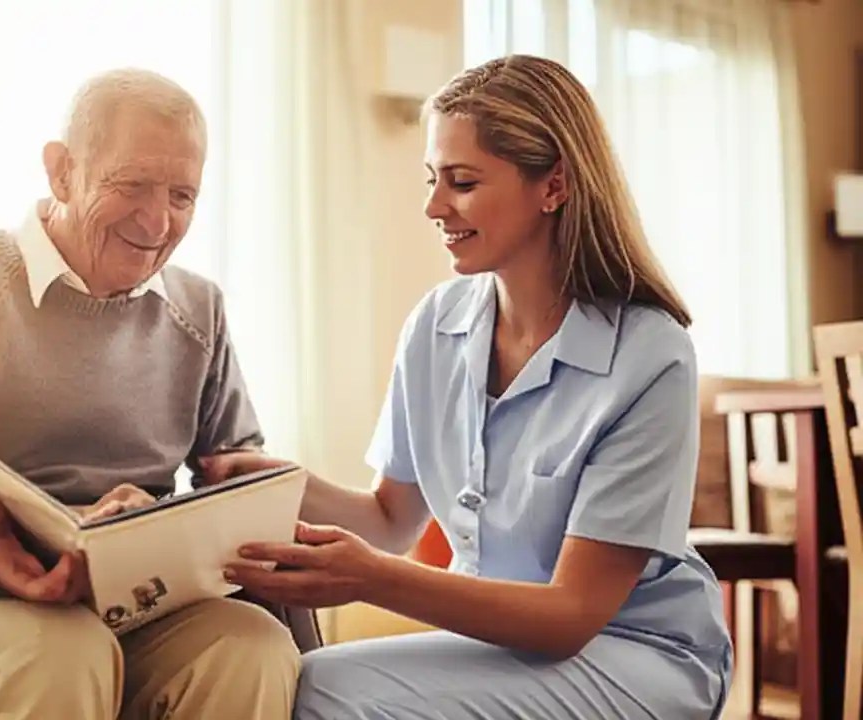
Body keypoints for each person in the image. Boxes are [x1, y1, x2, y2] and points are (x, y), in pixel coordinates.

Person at [202, 54, 733, 719]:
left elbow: (570, 614)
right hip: (504, 646)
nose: (433, 205)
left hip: (635, 651)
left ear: (555, 185)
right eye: (432, 179)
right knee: (302, 679)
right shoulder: (436, 324)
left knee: (326, 693)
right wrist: (279, 484)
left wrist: (371, 578)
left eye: (462, 181)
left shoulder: (650, 354)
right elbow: (391, 520)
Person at [0, 68, 299, 720]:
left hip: (122, 605)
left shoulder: (200, 309)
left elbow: (236, 485)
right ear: (61, 172)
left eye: (182, 195)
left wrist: (181, 522)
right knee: (62, 650)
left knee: (251, 645)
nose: (157, 219)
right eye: (132, 185)